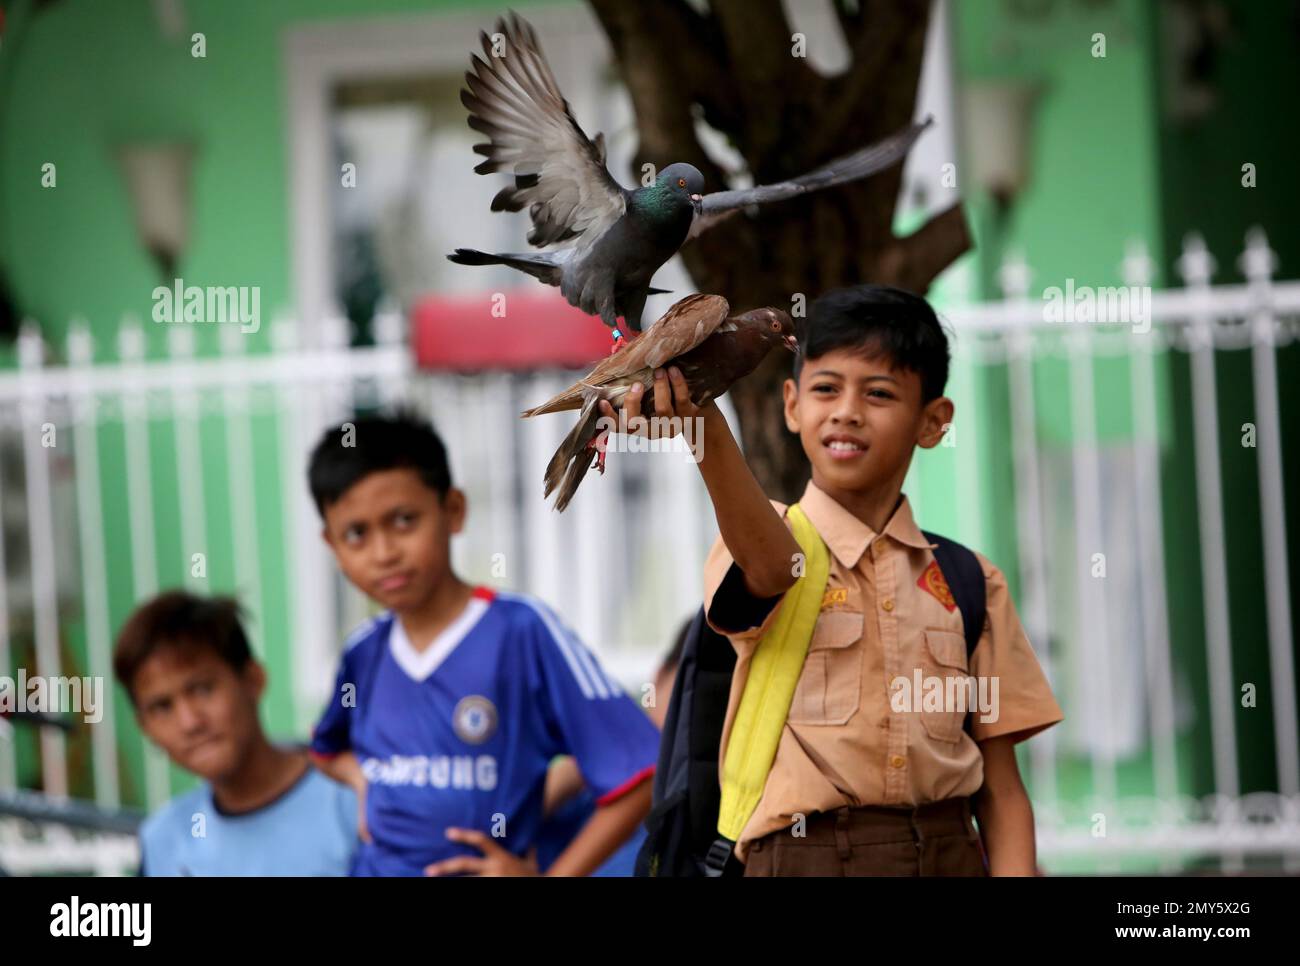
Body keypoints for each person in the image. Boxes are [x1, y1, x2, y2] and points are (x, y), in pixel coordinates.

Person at [604, 284, 1064, 876]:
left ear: (933, 422)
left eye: (878, 393)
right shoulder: (761, 539)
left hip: (949, 852)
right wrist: (706, 430)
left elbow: (1001, 792)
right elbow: (774, 567)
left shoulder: (969, 581)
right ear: (792, 405)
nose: (847, 410)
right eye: (826, 388)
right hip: (804, 856)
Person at [306, 411, 658, 876]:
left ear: (453, 510)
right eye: (357, 534)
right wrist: (361, 779)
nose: (384, 552)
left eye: (404, 520)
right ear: (332, 545)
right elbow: (327, 750)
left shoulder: (522, 633)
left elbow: (641, 772)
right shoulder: (363, 652)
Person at [114, 591, 358, 876]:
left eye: (203, 689)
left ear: (253, 679)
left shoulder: (353, 796)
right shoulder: (164, 841)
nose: (190, 722)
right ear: (145, 727)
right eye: (162, 707)